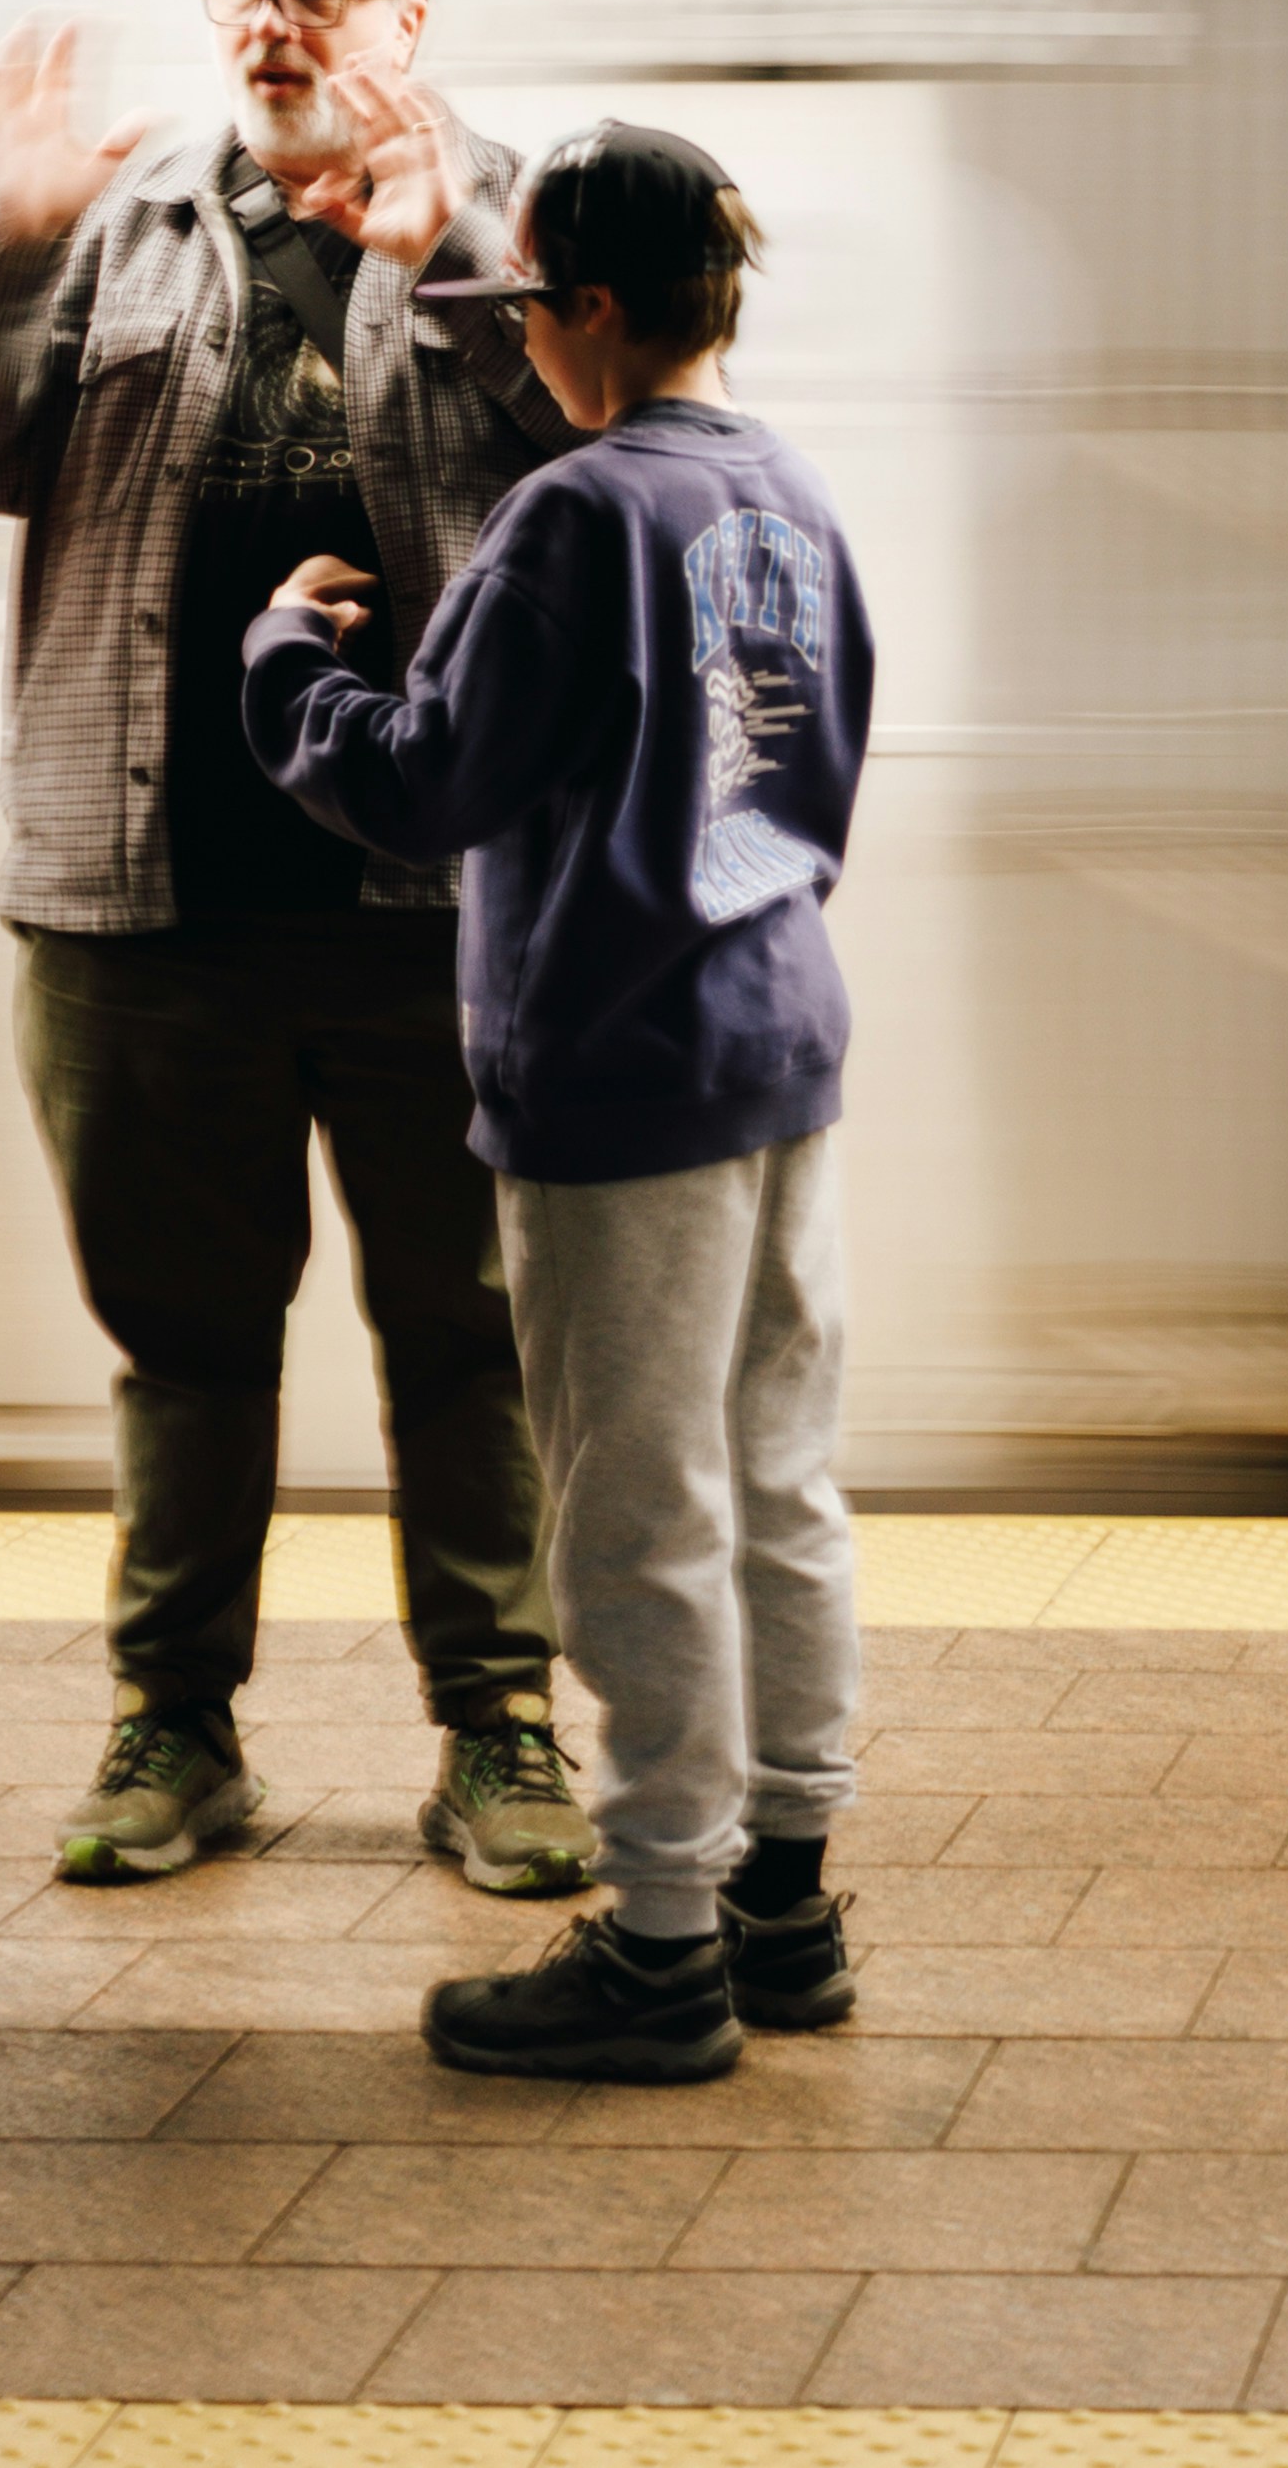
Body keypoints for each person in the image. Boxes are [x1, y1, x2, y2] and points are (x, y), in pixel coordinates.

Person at [0, 0, 592, 1896]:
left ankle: (498, 1725)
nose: (269, 21)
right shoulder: (110, 219)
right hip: (139, 900)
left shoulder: (525, 221)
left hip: (439, 907)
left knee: (466, 1335)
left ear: (409, 16)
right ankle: (174, 1720)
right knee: (182, 1341)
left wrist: (448, 257)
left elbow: (604, 469)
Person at [242, 123, 880, 2081]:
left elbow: (426, 782)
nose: (520, 341)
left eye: (528, 303)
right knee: (778, 1475)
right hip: (777, 1028)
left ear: (592, 308)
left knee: (632, 1501)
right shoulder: (784, 486)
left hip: (617, 1063)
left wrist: (286, 661)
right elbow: (820, 763)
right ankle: (784, 1892)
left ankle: (661, 1938)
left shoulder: (573, 509)